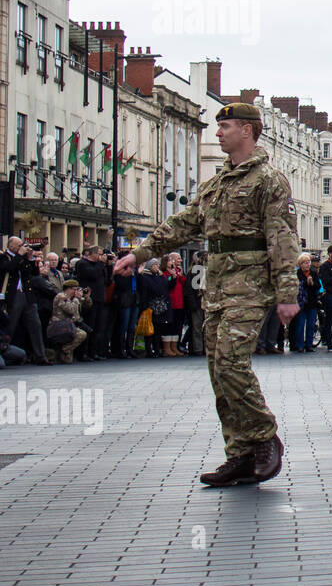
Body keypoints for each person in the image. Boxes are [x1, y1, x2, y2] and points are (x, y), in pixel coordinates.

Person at [114, 102, 300, 487]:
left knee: (232, 364)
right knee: (218, 371)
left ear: (248, 131)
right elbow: (184, 223)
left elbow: (282, 238)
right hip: (215, 285)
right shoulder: (217, 183)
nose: (218, 133)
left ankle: (264, 437)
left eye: (225, 126)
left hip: (249, 285)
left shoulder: (269, 180)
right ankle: (239, 453)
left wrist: (287, 293)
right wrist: (140, 253)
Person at [74, 246, 111, 361]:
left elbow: (107, 281)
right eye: (99, 254)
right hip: (89, 300)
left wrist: (108, 266)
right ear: (91, 254)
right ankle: (83, 353)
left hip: (100, 298)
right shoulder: (82, 264)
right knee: (89, 326)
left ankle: (93, 352)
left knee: (98, 327)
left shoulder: (100, 266)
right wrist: (101, 263)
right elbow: (93, 274)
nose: (101, 257)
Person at [49, 278, 90, 364]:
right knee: (82, 334)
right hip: (59, 325)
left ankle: (63, 351)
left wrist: (86, 297)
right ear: (68, 289)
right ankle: (64, 350)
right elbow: (71, 310)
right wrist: (76, 299)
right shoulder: (62, 296)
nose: (75, 292)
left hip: (67, 325)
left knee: (68, 361)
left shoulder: (70, 298)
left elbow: (88, 305)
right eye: (74, 289)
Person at [292, 253, 321, 353]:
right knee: (300, 324)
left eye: (308, 262)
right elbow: (296, 286)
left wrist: (312, 284)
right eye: (305, 263)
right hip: (301, 303)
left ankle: (309, 344)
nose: (307, 265)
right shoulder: (297, 274)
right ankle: (300, 345)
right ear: (300, 264)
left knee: (311, 325)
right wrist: (306, 283)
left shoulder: (313, 273)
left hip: (312, 302)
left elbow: (318, 285)